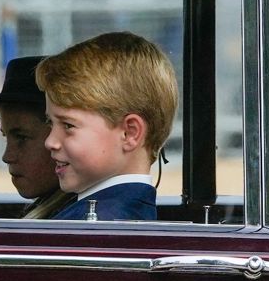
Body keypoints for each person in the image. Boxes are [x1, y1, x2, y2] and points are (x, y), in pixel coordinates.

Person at [34, 31, 178, 221]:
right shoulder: (123, 213)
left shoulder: (94, 227)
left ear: (129, 133)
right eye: (50, 123)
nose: (50, 142)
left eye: (68, 125)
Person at [0, 56, 74, 219]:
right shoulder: (52, 213)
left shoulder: (74, 219)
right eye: (6, 138)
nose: (7, 157)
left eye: (22, 138)